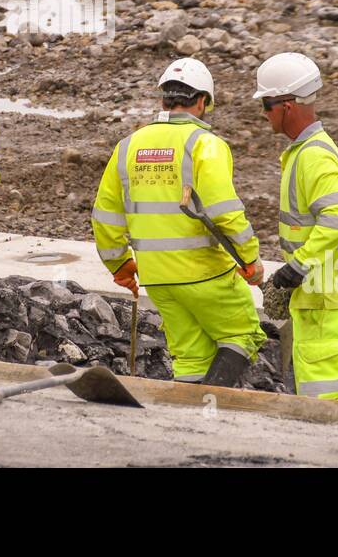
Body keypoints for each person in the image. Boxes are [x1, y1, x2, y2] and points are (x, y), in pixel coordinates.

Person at [91, 58, 266, 387]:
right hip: (204, 274)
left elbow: (105, 215)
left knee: (190, 356)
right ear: (202, 102)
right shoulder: (205, 145)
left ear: (164, 101)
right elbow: (224, 211)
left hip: (157, 277)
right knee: (243, 335)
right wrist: (250, 258)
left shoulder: (128, 146)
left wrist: (119, 264)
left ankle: (186, 427)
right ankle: (208, 408)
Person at [257, 53, 338, 402]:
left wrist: (295, 269)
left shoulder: (314, 155)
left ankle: (331, 446)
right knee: (337, 376)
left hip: (325, 292)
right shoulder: (305, 151)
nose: (264, 114)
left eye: (267, 105)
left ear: (287, 106)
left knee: (323, 387)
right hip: (326, 290)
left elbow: (335, 219)